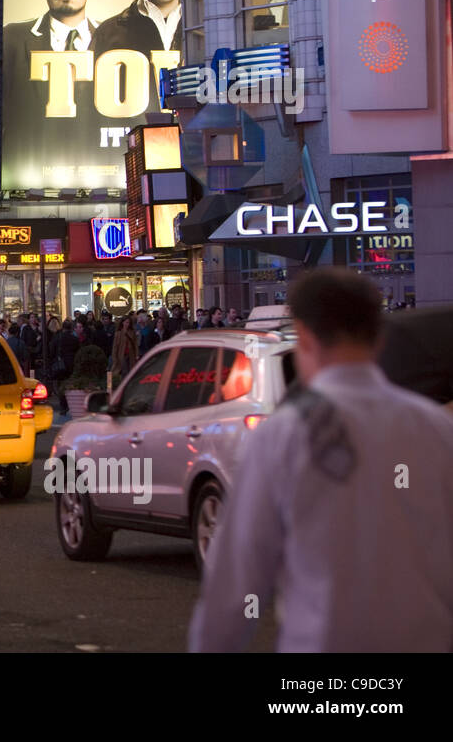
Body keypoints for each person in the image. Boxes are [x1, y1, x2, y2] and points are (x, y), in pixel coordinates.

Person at [190, 268, 453, 652]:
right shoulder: (434, 427)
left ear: (304, 336)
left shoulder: (284, 435)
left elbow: (239, 581)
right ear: (379, 336)